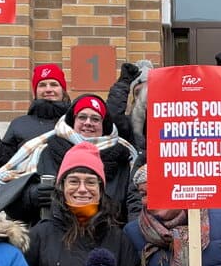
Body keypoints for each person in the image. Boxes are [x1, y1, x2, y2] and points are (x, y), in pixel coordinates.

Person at [28, 143, 141, 266]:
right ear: (62, 186)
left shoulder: (119, 239)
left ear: (101, 189)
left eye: (90, 182)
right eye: (74, 181)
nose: (82, 189)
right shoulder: (39, 235)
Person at [12, 94, 142, 227]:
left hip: (107, 232)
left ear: (104, 125)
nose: (88, 123)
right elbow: (12, 204)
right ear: (72, 121)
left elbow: (133, 202)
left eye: (95, 119)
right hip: (53, 233)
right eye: (82, 117)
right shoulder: (46, 151)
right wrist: (32, 195)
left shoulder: (123, 158)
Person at [0, 62, 72, 171]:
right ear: (35, 92)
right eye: (42, 85)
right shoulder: (20, 124)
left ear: (63, 90)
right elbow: (2, 164)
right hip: (27, 181)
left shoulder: (75, 122)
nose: (48, 89)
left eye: (54, 84)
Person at [106, 59, 155, 154]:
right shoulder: (128, 125)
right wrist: (123, 84)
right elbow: (113, 117)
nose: (143, 98)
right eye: (138, 92)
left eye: (148, 92)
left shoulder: (167, 123)